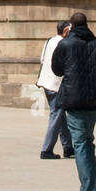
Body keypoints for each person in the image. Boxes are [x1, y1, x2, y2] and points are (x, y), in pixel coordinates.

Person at [50, 12, 96, 191]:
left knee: (81, 146)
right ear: (87, 25)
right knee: (86, 143)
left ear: (71, 26)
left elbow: (57, 70)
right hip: (92, 103)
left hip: (74, 101)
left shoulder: (65, 44)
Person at [37, 20, 74, 160]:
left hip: (45, 83)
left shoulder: (49, 41)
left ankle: (68, 147)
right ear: (66, 31)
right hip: (57, 86)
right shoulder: (64, 44)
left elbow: (42, 60)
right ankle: (46, 150)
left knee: (60, 116)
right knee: (56, 115)